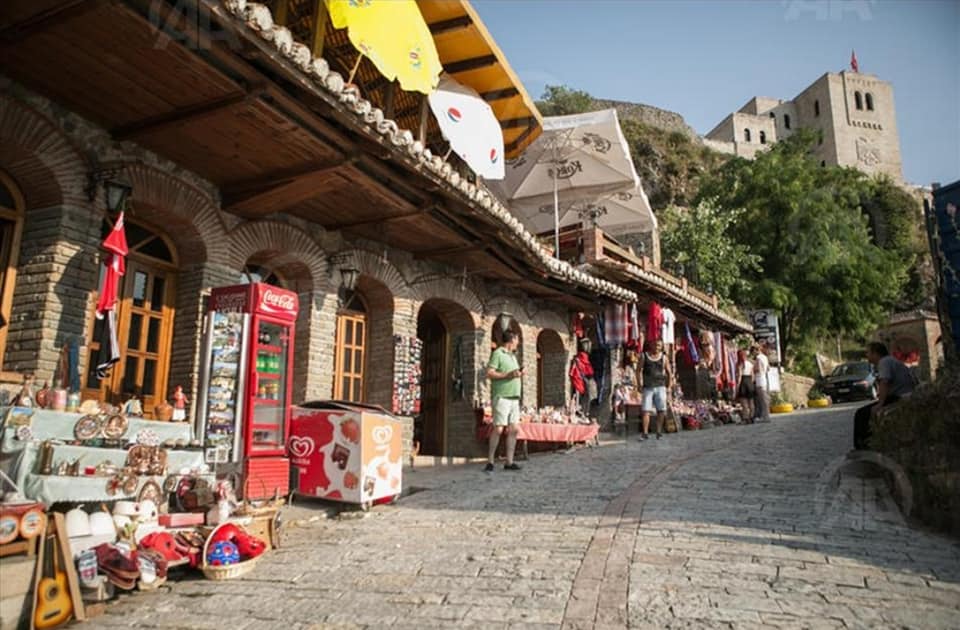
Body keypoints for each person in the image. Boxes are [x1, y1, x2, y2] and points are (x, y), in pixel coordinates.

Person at [853, 341, 915, 450]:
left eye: (868, 352)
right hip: (903, 394)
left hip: (899, 396)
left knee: (861, 414)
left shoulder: (884, 362)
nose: (866, 355)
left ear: (875, 353)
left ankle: (863, 446)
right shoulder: (889, 361)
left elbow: (885, 381)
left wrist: (880, 404)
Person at [485, 330, 524, 472]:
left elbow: (512, 374)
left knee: (513, 430)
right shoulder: (498, 353)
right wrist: (509, 374)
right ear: (511, 339)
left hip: (514, 397)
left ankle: (509, 462)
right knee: (499, 428)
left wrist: (518, 373)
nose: (518, 342)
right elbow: (489, 373)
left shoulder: (513, 356)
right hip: (502, 396)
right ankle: (490, 461)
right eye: (517, 339)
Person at [639, 339, 672, 440]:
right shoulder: (644, 356)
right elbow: (638, 370)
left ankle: (659, 432)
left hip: (660, 386)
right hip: (648, 387)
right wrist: (639, 383)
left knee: (661, 410)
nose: (657, 347)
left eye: (659, 345)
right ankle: (645, 433)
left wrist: (669, 386)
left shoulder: (664, 358)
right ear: (651, 345)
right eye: (655, 345)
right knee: (646, 410)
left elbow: (669, 373)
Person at [753, 342, 771, 423]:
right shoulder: (765, 357)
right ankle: (766, 415)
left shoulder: (758, 358)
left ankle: (765, 417)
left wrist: (753, 369)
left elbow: (758, 369)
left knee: (762, 399)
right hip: (764, 379)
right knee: (765, 399)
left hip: (759, 379)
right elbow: (768, 368)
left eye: (753, 351)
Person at [736, 349, 755, 423]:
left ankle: (746, 418)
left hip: (743, 382)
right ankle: (752, 416)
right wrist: (751, 383)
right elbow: (752, 375)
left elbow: (739, 376)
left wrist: (738, 386)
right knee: (751, 402)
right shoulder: (750, 364)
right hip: (749, 382)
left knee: (744, 403)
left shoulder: (740, 364)